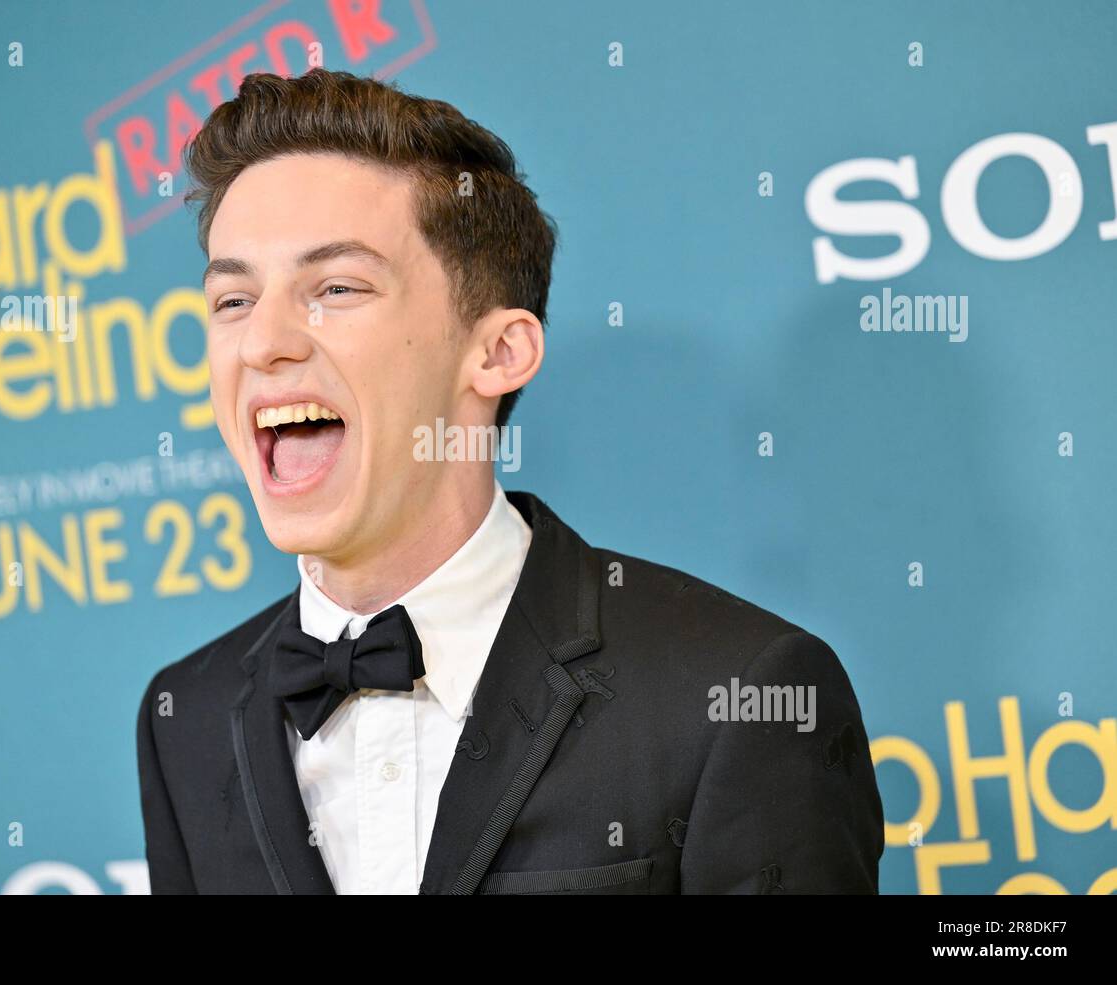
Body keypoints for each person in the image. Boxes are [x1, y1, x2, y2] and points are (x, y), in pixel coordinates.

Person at [135, 68, 884, 895]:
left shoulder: (738, 692)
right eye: (232, 299)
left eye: (336, 288)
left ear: (498, 352)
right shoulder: (184, 715)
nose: (261, 342)